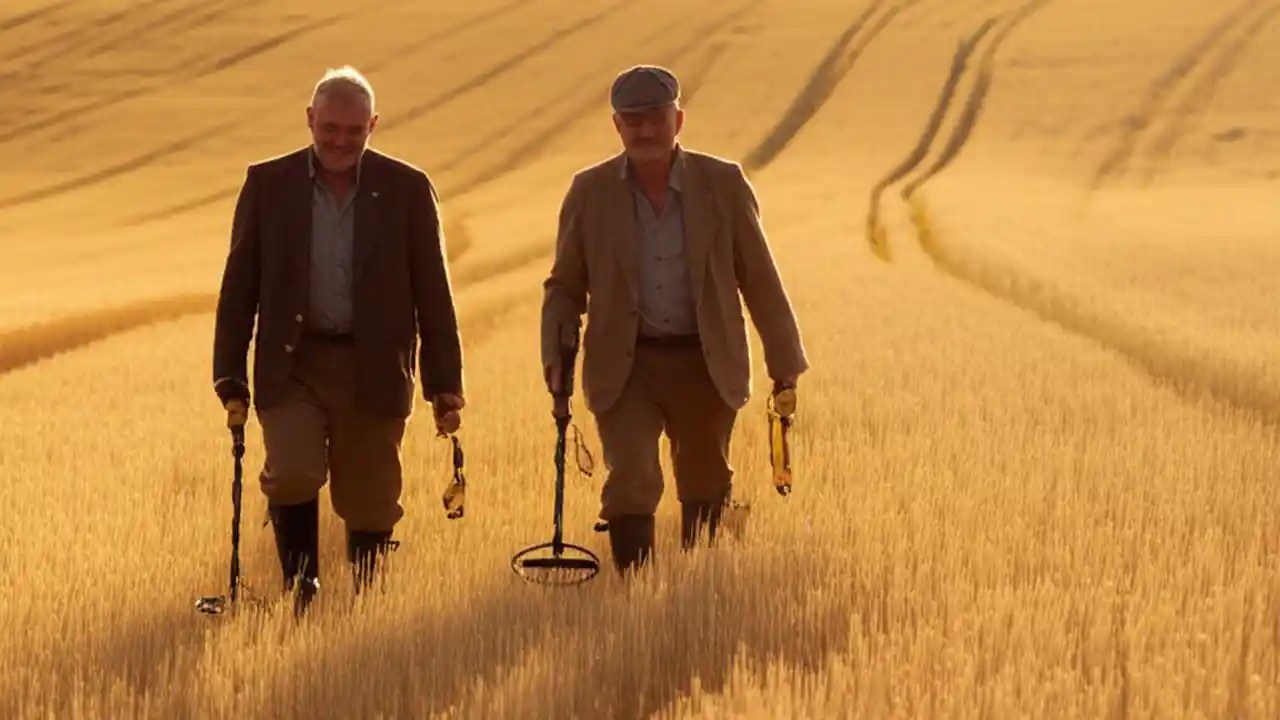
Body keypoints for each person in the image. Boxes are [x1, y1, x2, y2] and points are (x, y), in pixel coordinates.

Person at [212, 66, 465, 614]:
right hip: (293, 365)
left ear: (373, 125)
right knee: (294, 471)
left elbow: (434, 291)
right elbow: (239, 285)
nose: (340, 141)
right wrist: (228, 370)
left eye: (354, 130)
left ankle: (367, 603)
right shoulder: (268, 184)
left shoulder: (407, 189)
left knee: (371, 499)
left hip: (373, 366)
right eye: (330, 128)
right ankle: (302, 590)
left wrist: (445, 385)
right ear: (309, 120)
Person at [540, 65, 809, 574]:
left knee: (705, 476)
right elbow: (566, 284)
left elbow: (760, 276)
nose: (645, 131)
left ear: (678, 120)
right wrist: (555, 353)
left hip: (706, 359)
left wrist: (784, 360)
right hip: (627, 364)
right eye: (633, 120)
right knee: (633, 477)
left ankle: (695, 583)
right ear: (617, 126)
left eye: (656, 119)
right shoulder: (589, 192)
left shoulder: (723, 183)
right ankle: (633, 591)